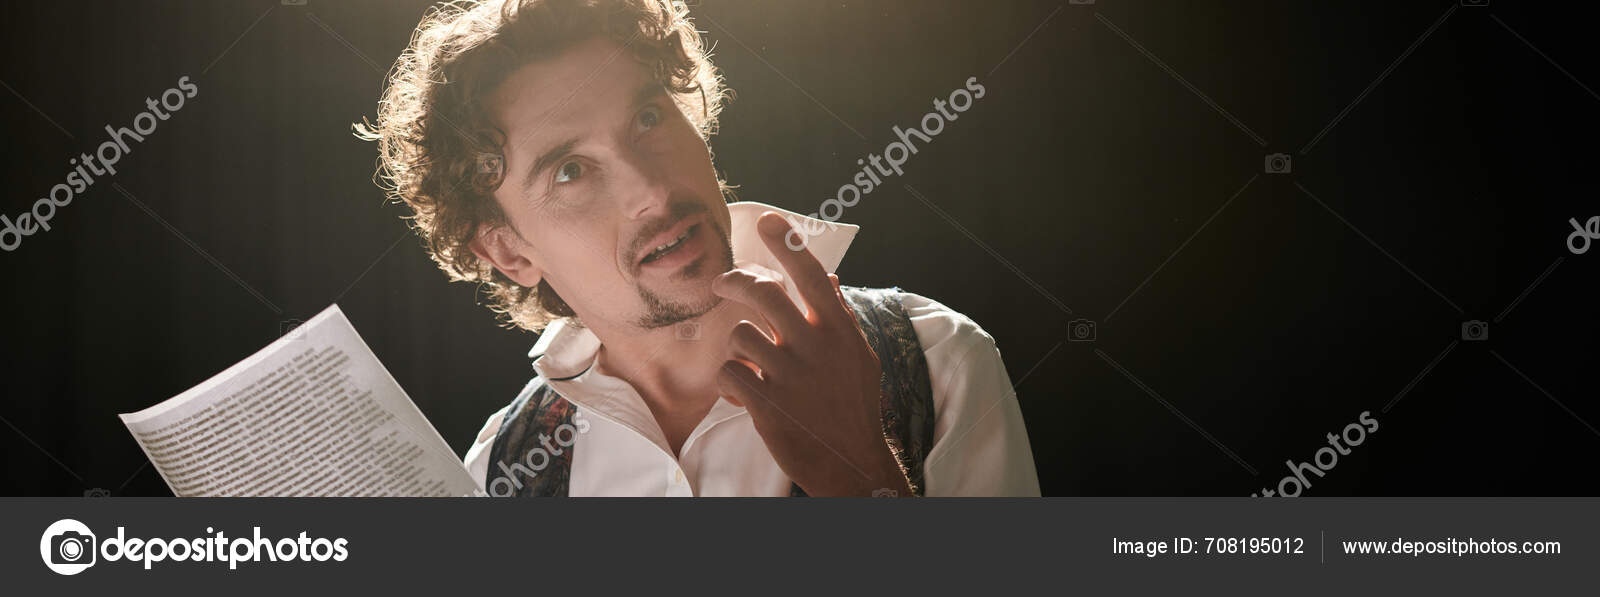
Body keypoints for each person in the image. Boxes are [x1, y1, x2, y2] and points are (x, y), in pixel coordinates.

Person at [358, 0, 1039, 496]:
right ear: (509, 252)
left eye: (649, 119)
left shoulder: (935, 359)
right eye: (571, 170)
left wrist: (861, 475)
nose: (650, 189)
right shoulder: (500, 472)